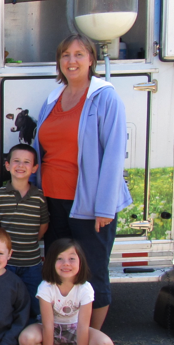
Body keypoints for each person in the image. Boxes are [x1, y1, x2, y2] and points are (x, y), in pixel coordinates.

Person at [33, 33, 132, 330]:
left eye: (78, 54)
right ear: (59, 62)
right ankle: (63, 336)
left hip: (89, 205)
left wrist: (105, 207)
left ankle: (88, 342)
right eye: (65, 55)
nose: (71, 61)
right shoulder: (52, 99)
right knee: (58, 272)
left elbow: (114, 154)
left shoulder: (105, 96)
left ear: (91, 59)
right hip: (54, 201)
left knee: (91, 272)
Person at [19, 239, 115, 345]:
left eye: (72, 258)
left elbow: (83, 327)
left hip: (74, 329)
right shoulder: (46, 287)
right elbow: (48, 325)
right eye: (59, 259)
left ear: (80, 262)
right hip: (53, 328)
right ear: (51, 262)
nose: (66, 263)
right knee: (26, 340)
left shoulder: (85, 288)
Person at [0, 143, 50, 317]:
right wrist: (1, 248)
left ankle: (34, 335)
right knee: (5, 303)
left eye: (26, 162)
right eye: (16, 161)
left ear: (35, 168)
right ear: (7, 165)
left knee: (36, 304)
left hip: (32, 264)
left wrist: (32, 240)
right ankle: (6, 334)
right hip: (7, 264)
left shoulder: (39, 197)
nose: (21, 166)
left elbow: (43, 224)